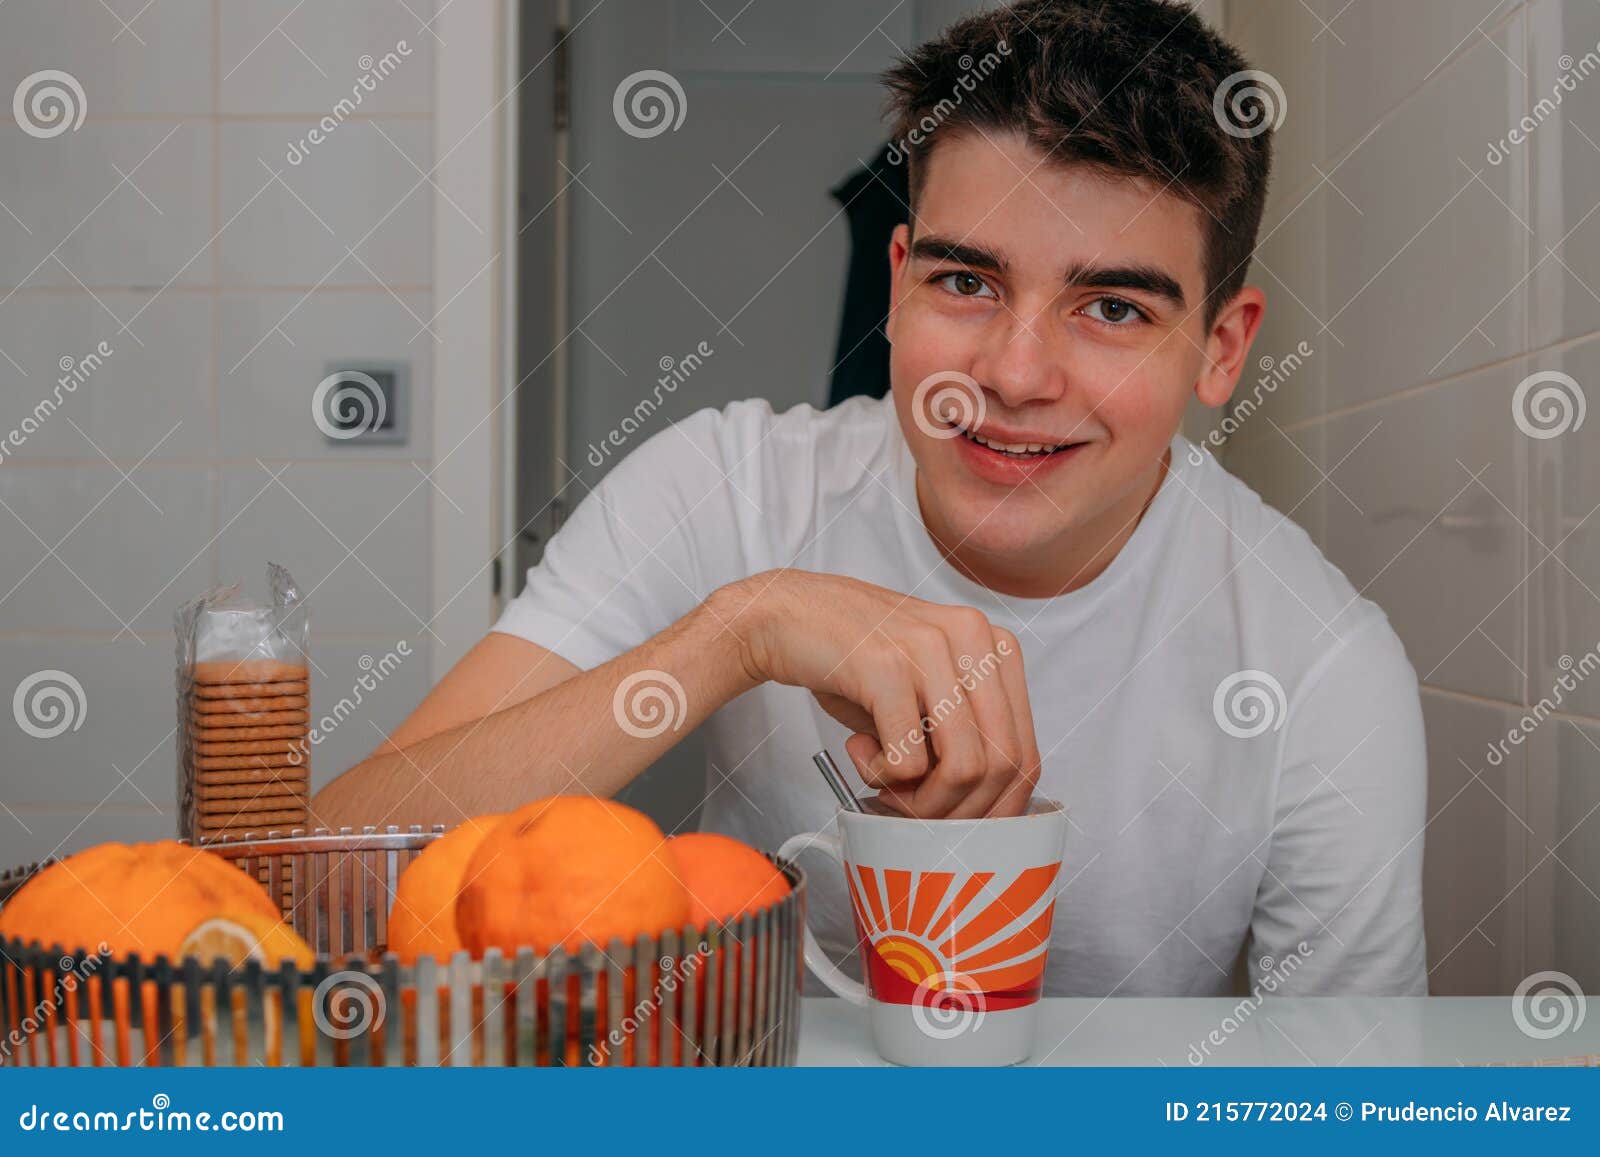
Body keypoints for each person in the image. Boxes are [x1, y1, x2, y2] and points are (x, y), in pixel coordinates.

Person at [314, 0, 1427, 997]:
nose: (1013, 373)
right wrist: (740, 631)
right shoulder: (726, 484)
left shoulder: (1320, 667)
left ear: (1221, 352)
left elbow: (1355, 1103)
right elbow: (319, 884)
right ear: (894, 288)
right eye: (965, 282)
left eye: (1114, 309)